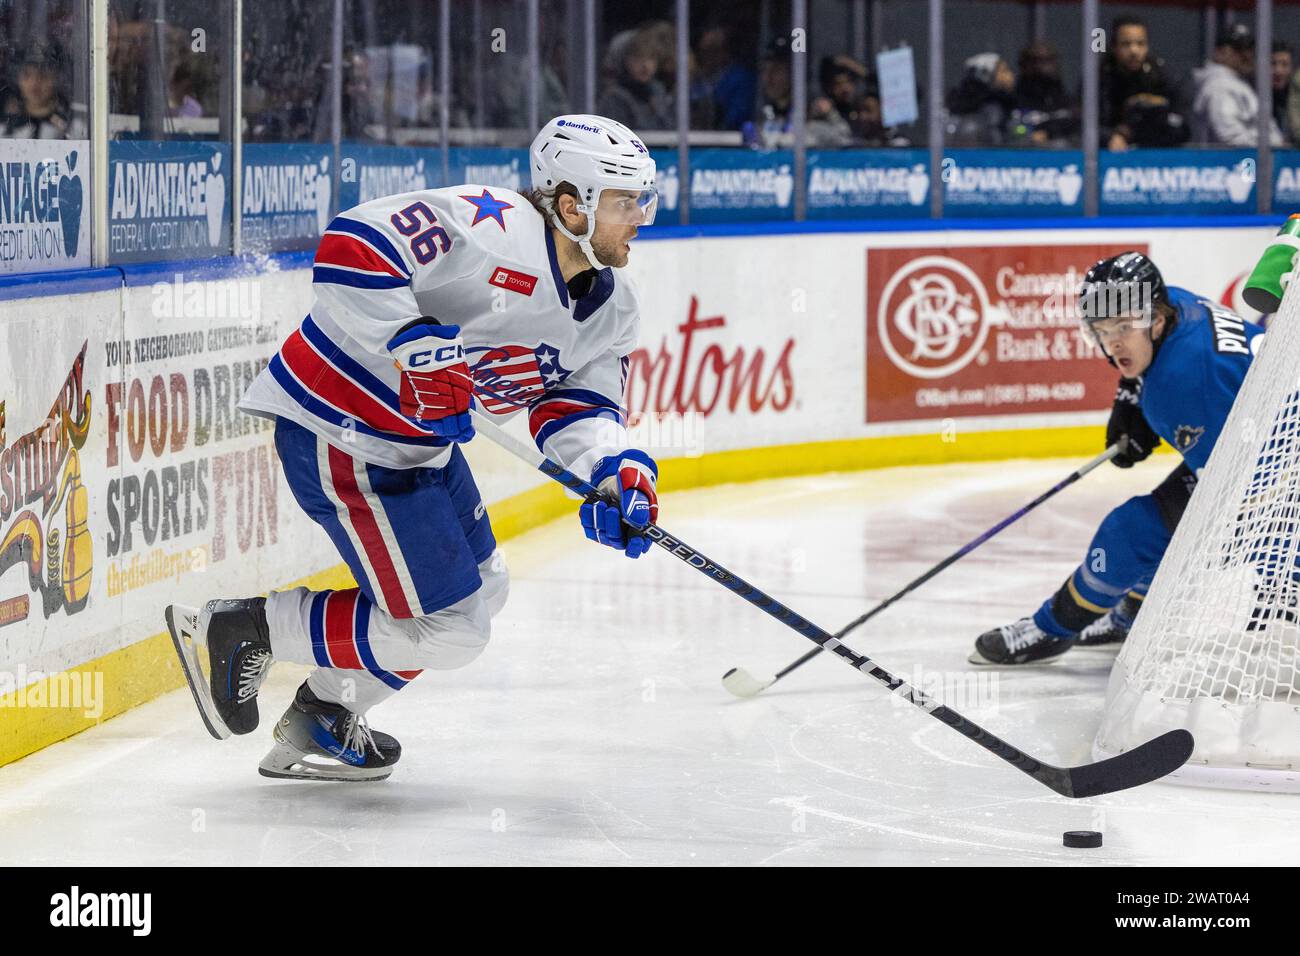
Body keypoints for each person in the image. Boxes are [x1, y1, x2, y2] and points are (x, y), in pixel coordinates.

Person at [166, 114, 661, 780]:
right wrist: (413, 340)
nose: (641, 217)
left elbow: (578, 404)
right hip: (341, 427)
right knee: (454, 630)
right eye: (625, 202)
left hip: (418, 450)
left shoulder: (612, 308)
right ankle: (248, 626)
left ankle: (325, 711)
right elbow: (352, 244)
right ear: (571, 205)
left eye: (642, 199)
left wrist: (611, 471)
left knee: (485, 589)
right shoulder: (489, 228)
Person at [971, 253, 1263, 666]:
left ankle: (1050, 630)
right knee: (1160, 522)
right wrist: (1130, 396)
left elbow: (1243, 495)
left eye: (1124, 328)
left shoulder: (1180, 386)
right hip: (1254, 439)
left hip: (1273, 470)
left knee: (1131, 533)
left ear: (1155, 320)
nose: (1114, 343)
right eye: (1104, 331)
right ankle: (1132, 613)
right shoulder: (1178, 305)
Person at [1099, 15, 1188, 150]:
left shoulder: (1160, 74)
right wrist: (1111, 136)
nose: (1134, 51)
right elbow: (1083, 125)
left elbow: (1184, 127)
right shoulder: (1100, 78)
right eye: (1126, 44)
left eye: (1140, 44)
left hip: (1154, 153)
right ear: (1113, 47)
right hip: (1110, 155)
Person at [1191, 23, 1284, 147]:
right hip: (1231, 162)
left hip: (1249, 159)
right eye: (1238, 50)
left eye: (1249, 49)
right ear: (1220, 52)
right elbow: (1230, 137)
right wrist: (1273, 143)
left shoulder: (1237, 81)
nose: (1247, 55)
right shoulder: (1218, 85)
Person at [597, 29, 673, 131]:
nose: (646, 66)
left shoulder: (658, 91)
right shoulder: (614, 97)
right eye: (638, 58)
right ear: (625, 61)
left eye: (651, 58)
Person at [1010, 41, 1079, 147]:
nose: (1045, 67)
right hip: (1023, 159)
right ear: (1025, 65)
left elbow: (1076, 124)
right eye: (1037, 61)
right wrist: (1028, 135)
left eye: (1050, 60)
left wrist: (1048, 132)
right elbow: (1014, 132)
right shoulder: (1014, 101)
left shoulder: (1064, 99)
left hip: (1064, 159)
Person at [945, 52, 1015, 146]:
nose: (1010, 75)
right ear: (986, 74)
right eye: (1004, 71)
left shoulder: (1006, 102)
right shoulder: (991, 109)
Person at [1272, 41, 1295, 144]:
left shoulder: (1295, 97)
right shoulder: (1253, 97)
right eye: (1272, 63)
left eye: (1284, 64)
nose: (1278, 71)